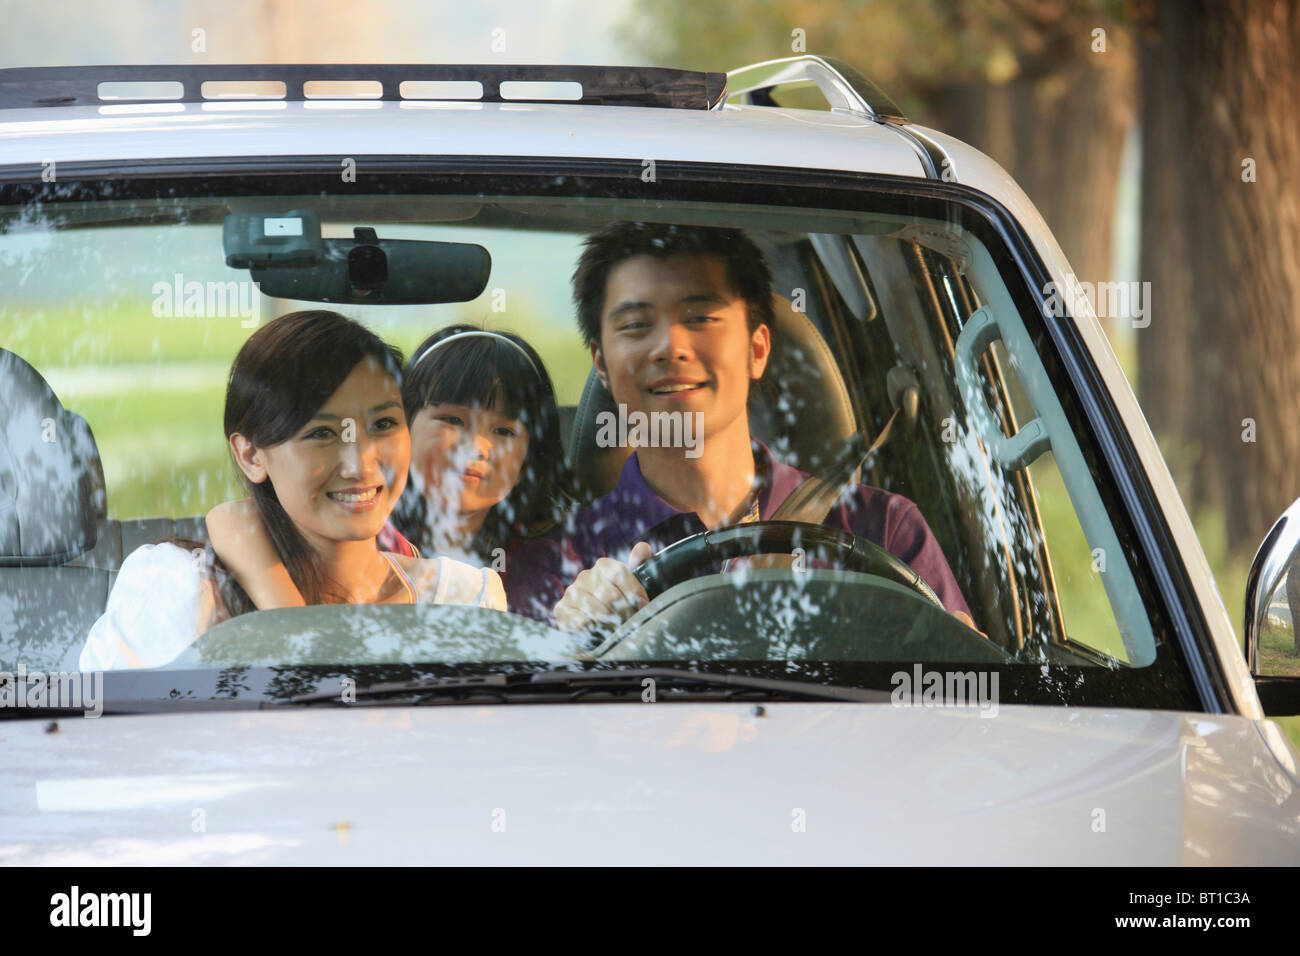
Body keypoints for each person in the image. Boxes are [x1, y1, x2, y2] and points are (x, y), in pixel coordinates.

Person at [506, 221, 974, 631]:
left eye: (700, 318)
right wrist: (570, 646)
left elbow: (968, 714)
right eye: (635, 325)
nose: (670, 347)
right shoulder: (555, 569)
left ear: (757, 349)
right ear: (602, 365)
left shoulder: (884, 532)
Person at [80, 310, 504, 671]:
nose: (361, 464)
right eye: (321, 432)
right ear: (250, 456)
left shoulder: (464, 598)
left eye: (383, 424)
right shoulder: (182, 591)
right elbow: (117, 748)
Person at [205, 324, 573, 610]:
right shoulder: (366, 523)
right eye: (452, 421)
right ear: (407, 424)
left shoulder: (552, 560)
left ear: (532, 452)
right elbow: (234, 519)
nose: (475, 448)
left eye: (505, 430)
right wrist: (288, 621)